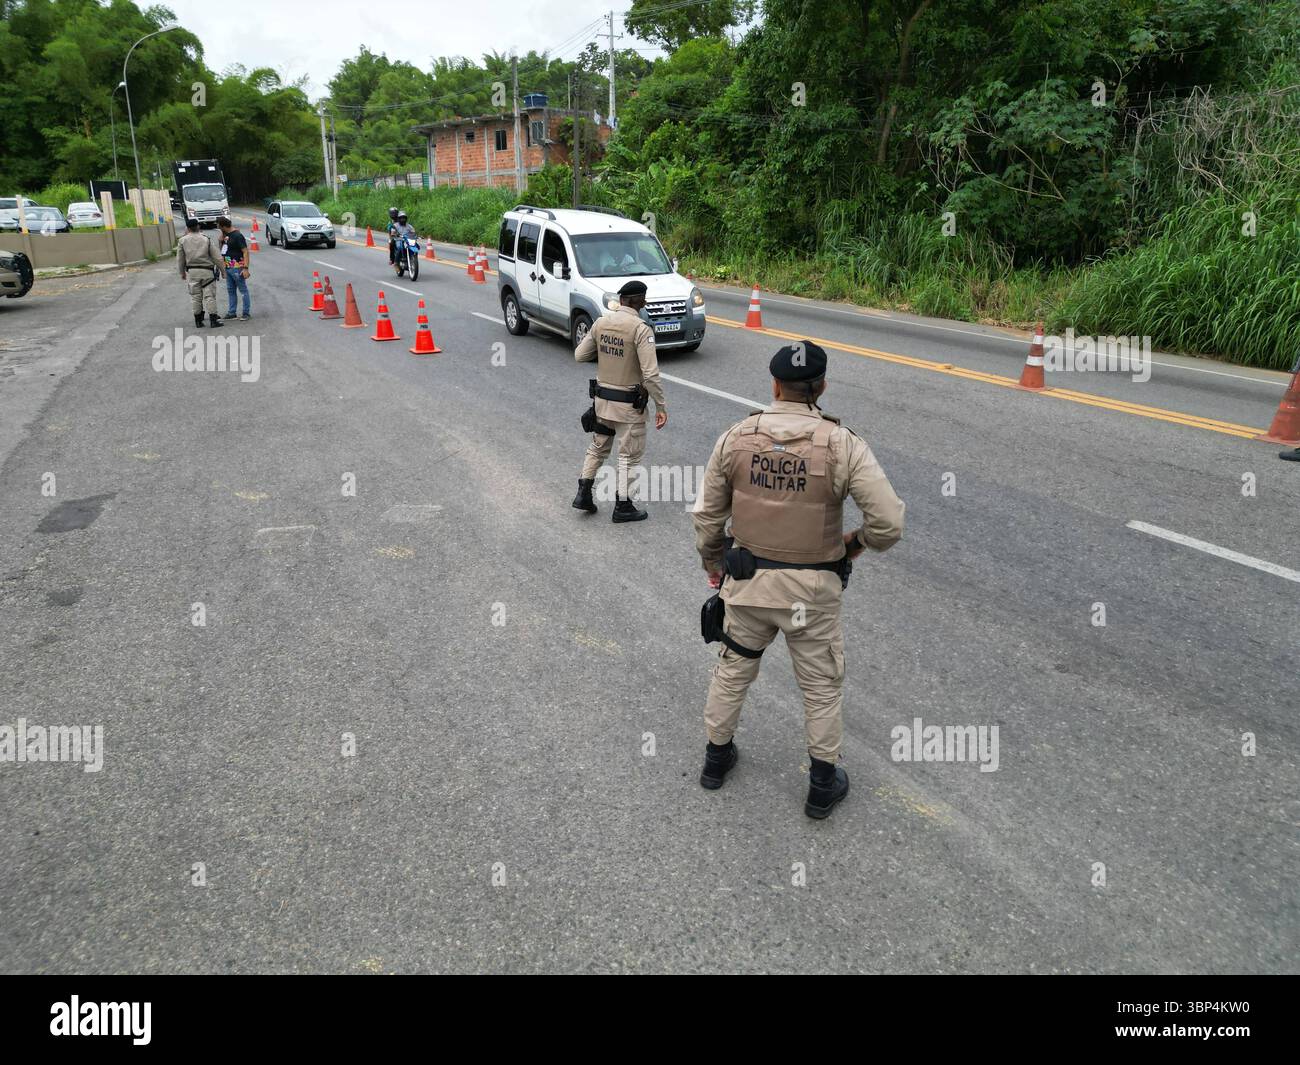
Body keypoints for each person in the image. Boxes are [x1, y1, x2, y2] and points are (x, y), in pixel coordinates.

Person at [692, 341, 905, 819]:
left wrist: (713, 564)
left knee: (733, 670)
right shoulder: (842, 444)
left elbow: (707, 518)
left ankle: (715, 760)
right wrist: (852, 545)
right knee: (821, 687)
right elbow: (889, 524)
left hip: (747, 588)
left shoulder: (736, 437)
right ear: (822, 386)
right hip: (812, 594)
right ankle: (821, 786)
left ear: (774, 385)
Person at [572, 280, 667, 522]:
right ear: (641, 302)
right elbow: (651, 374)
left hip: (602, 404)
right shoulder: (640, 329)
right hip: (628, 408)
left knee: (598, 447)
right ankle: (623, 506)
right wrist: (661, 406)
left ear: (621, 300)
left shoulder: (601, 322)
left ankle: (583, 494)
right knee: (629, 456)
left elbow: (580, 355)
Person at [177, 217, 225, 328]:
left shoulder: (182, 241)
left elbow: (180, 259)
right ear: (198, 226)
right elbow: (217, 257)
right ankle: (213, 321)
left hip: (192, 272)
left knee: (195, 296)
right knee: (210, 296)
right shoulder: (206, 239)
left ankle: (198, 321)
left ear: (188, 228)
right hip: (207, 272)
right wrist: (223, 271)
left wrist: (182, 272)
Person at [218, 217, 251, 321]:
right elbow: (223, 250)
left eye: (219, 226)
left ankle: (246, 313)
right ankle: (232, 312)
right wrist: (220, 240)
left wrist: (245, 268)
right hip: (228, 267)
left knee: (243, 290)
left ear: (223, 226)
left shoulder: (237, 235)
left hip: (237, 267)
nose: (218, 228)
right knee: (231, 291)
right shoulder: (226, 236)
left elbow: (245, 251)